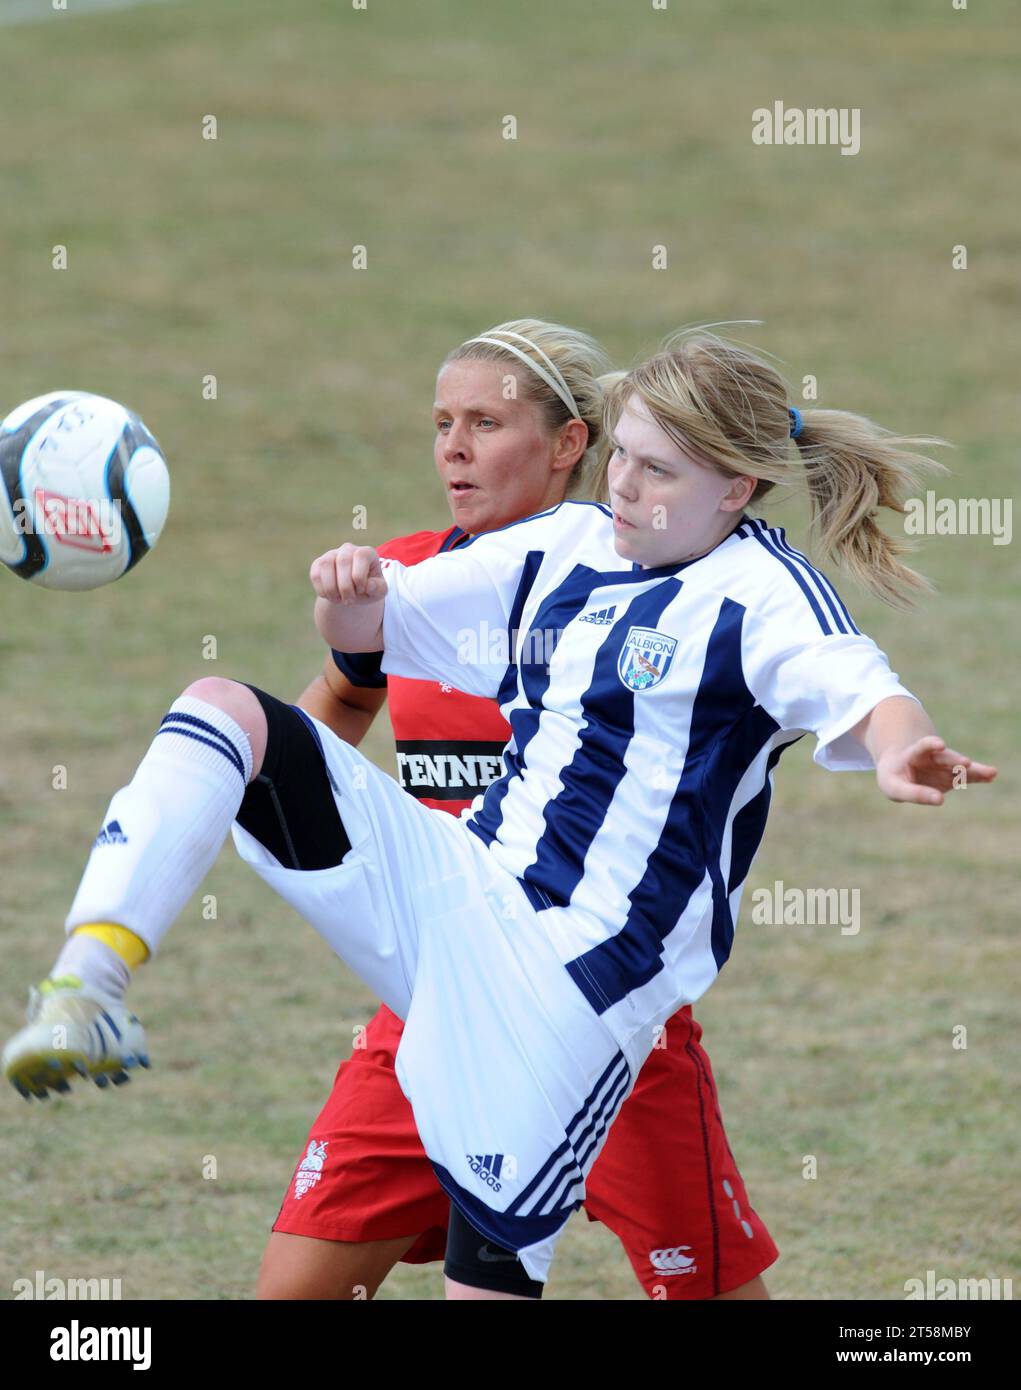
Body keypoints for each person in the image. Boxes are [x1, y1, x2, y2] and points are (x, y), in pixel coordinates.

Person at [3, 327, 996, 1299]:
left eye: (657, 473)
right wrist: (346, 596)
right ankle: (86, 986)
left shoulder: (765, 595)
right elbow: (372, 637)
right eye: (622, 460)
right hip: (454, 886)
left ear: (733, 489)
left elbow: (860, 685)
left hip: (567, 985)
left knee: (492, 1284)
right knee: (221, 709)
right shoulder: (564, 548)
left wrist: (902, 741)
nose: (622, 487)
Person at [257, 320, 776, 1301]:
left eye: (486, 422)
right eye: (442, 422)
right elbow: (338, 708)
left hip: (599, 1004)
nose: (453, 446)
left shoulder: (659, 600)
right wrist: (245, 771)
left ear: (573, 443)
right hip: (435, 994)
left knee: (705, 1292)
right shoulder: (408, 575)